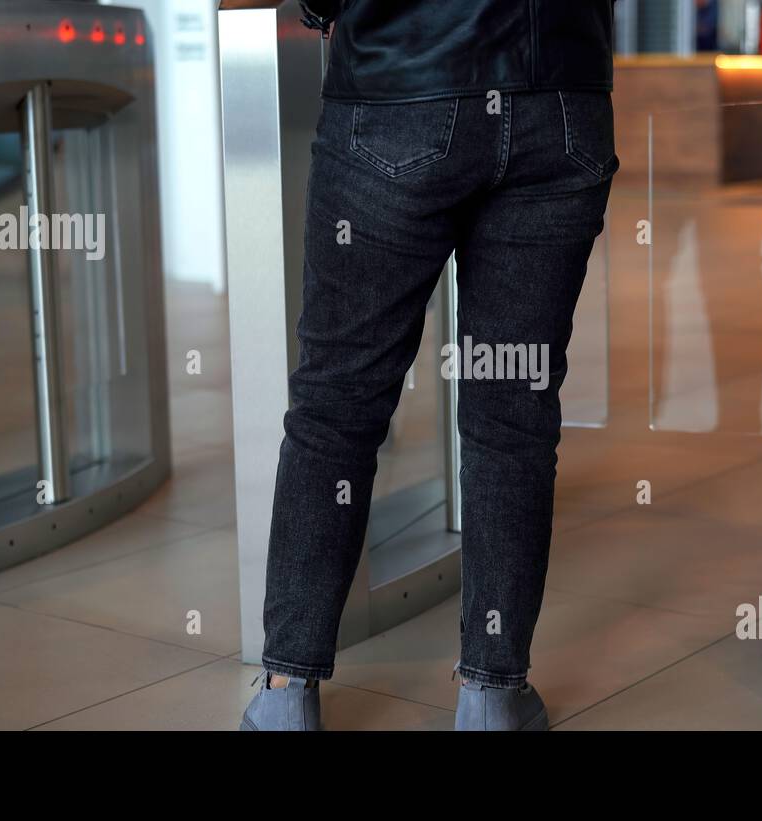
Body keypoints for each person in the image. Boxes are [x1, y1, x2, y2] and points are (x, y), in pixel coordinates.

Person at [240, 0, 618, 731]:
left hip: (399, 88)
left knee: (337, 405)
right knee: (512, 413)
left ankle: (287, 693)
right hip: (561, 103)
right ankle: (493, 694)